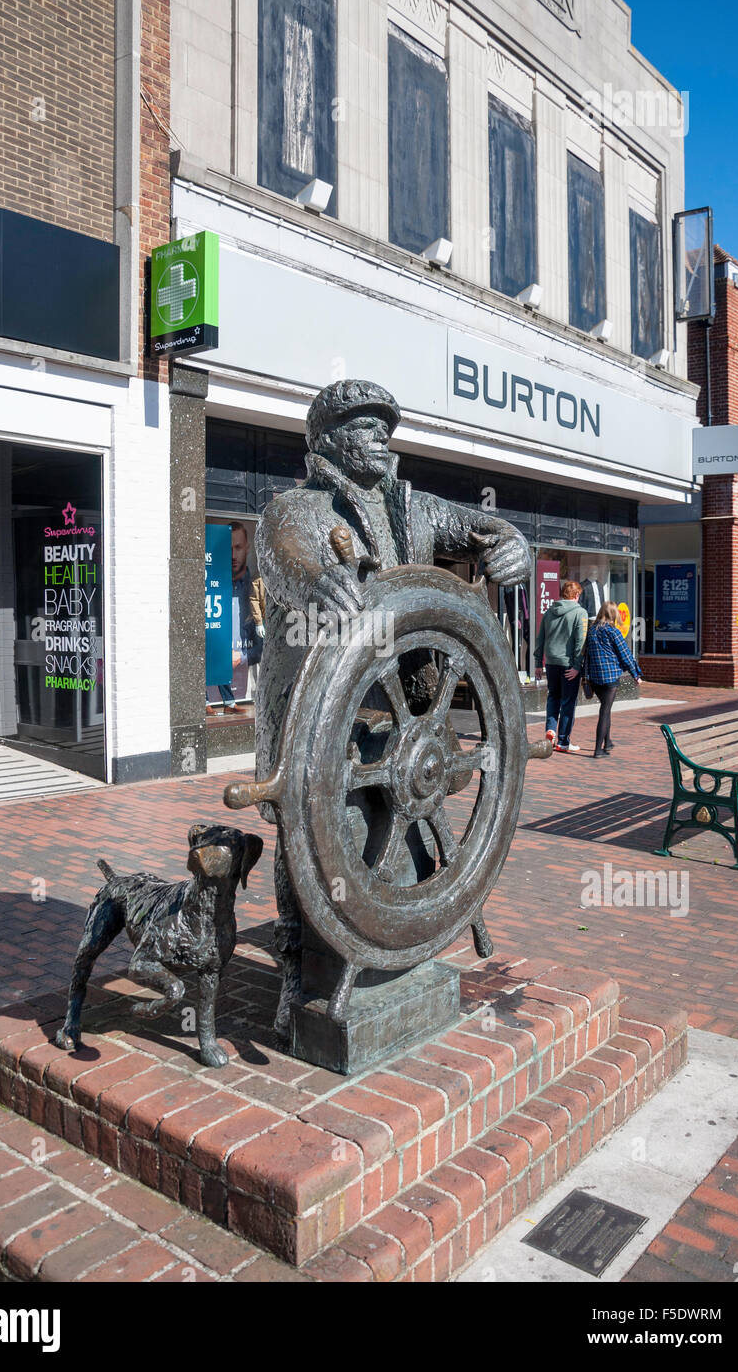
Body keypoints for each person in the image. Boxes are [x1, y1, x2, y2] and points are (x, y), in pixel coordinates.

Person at [255, 378, 531, 1038]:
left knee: (390, 836)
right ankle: (298, 975)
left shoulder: (419, 510)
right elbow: (283, 557)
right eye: (363, 425)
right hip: (317, 716)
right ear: (325, 441)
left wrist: (513, 544)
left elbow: (488, 529)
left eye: (386, 425)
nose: (382, 436)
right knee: (307, 843)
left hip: (402, 724)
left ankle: (397, 945)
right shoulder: (297, 508)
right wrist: (318, 580)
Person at [206, 522, 263, 716]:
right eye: (228, 549)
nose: (232, 555)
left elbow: (264, 644)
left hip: (244, 666)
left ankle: (230, 703)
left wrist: (244, 656)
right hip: (217, 647)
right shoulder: (213, 582)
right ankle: (211, 702)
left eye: (237, 548)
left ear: (247, 548)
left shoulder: (254, 586)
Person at [534, 579, 588, 753]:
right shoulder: (580, 613)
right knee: (568, 702)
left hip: (551, 662)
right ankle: (563, 741)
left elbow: (540, 638)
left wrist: (537, 663)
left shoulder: (550, 611)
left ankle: (550, 728)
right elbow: (581, 642)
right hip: (568, 664)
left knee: (553, 697)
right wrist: (577, 666)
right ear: (577, 595)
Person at [585, 600, 643, 758]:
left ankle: (608, 742)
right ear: (613, 614)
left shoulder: (591, 631)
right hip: (610, 676)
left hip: (595, 677)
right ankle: (598, 749)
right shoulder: (613, 632)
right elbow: (625, 654)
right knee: (604, 711)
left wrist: (586, 676)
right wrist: (635, 674)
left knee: (606, 709)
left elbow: (587, 655)